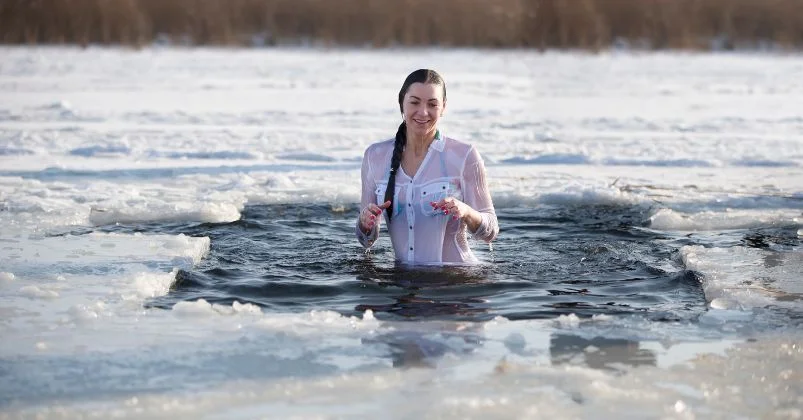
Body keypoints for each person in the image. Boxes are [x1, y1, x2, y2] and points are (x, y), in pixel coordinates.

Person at [356, 69, 498, 265]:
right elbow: (366, 241)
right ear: (401, 103)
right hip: (403, 282)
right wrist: (365, 224)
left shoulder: (464, 155)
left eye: (432, 104)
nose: (423, 112)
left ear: (443, 108)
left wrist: (466, 212)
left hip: (458, 280)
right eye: (414, 102)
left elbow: (490, 232)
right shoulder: (375, 156)